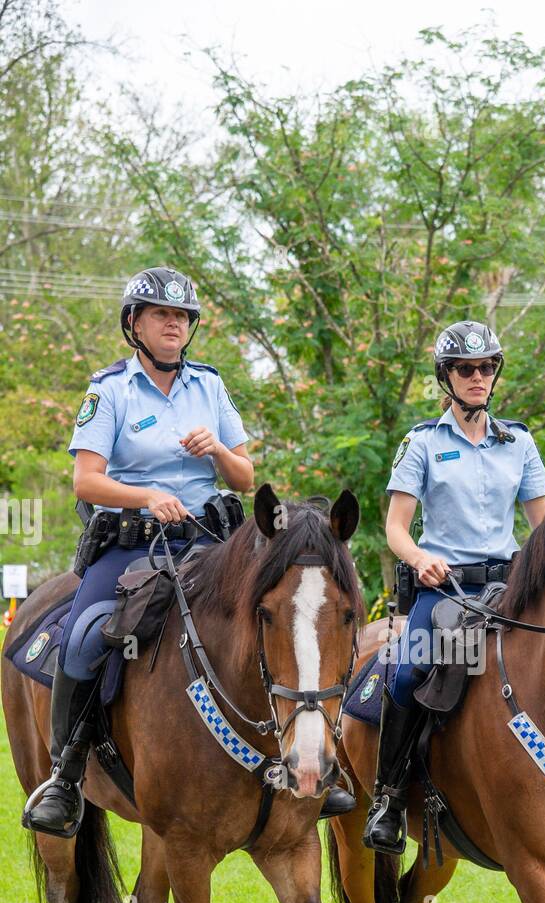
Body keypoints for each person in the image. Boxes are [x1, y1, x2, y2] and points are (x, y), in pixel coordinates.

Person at [24, 266, 354, 836]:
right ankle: (66, 775)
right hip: (130, 543)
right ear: (135, 324)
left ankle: (310, 762)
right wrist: (146, 497)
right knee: (83, 635)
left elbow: (246, 477)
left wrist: (220, 452)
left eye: (181, 317)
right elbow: (86, 481)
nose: (173, 325)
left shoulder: (210, 386)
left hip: (211, 541)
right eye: (161, 315)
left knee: (290, 615)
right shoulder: (110, 390)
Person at [363, 319, 545, 855]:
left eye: (486, 367)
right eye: (466, 369)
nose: (477, 377)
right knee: (407, 673)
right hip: (445, 591)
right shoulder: (421, 442)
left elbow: (544, 524)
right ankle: (390, 799)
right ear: (447, 377)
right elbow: (396, 527)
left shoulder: (520, 442)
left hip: (510, 587)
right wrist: (420, 557)